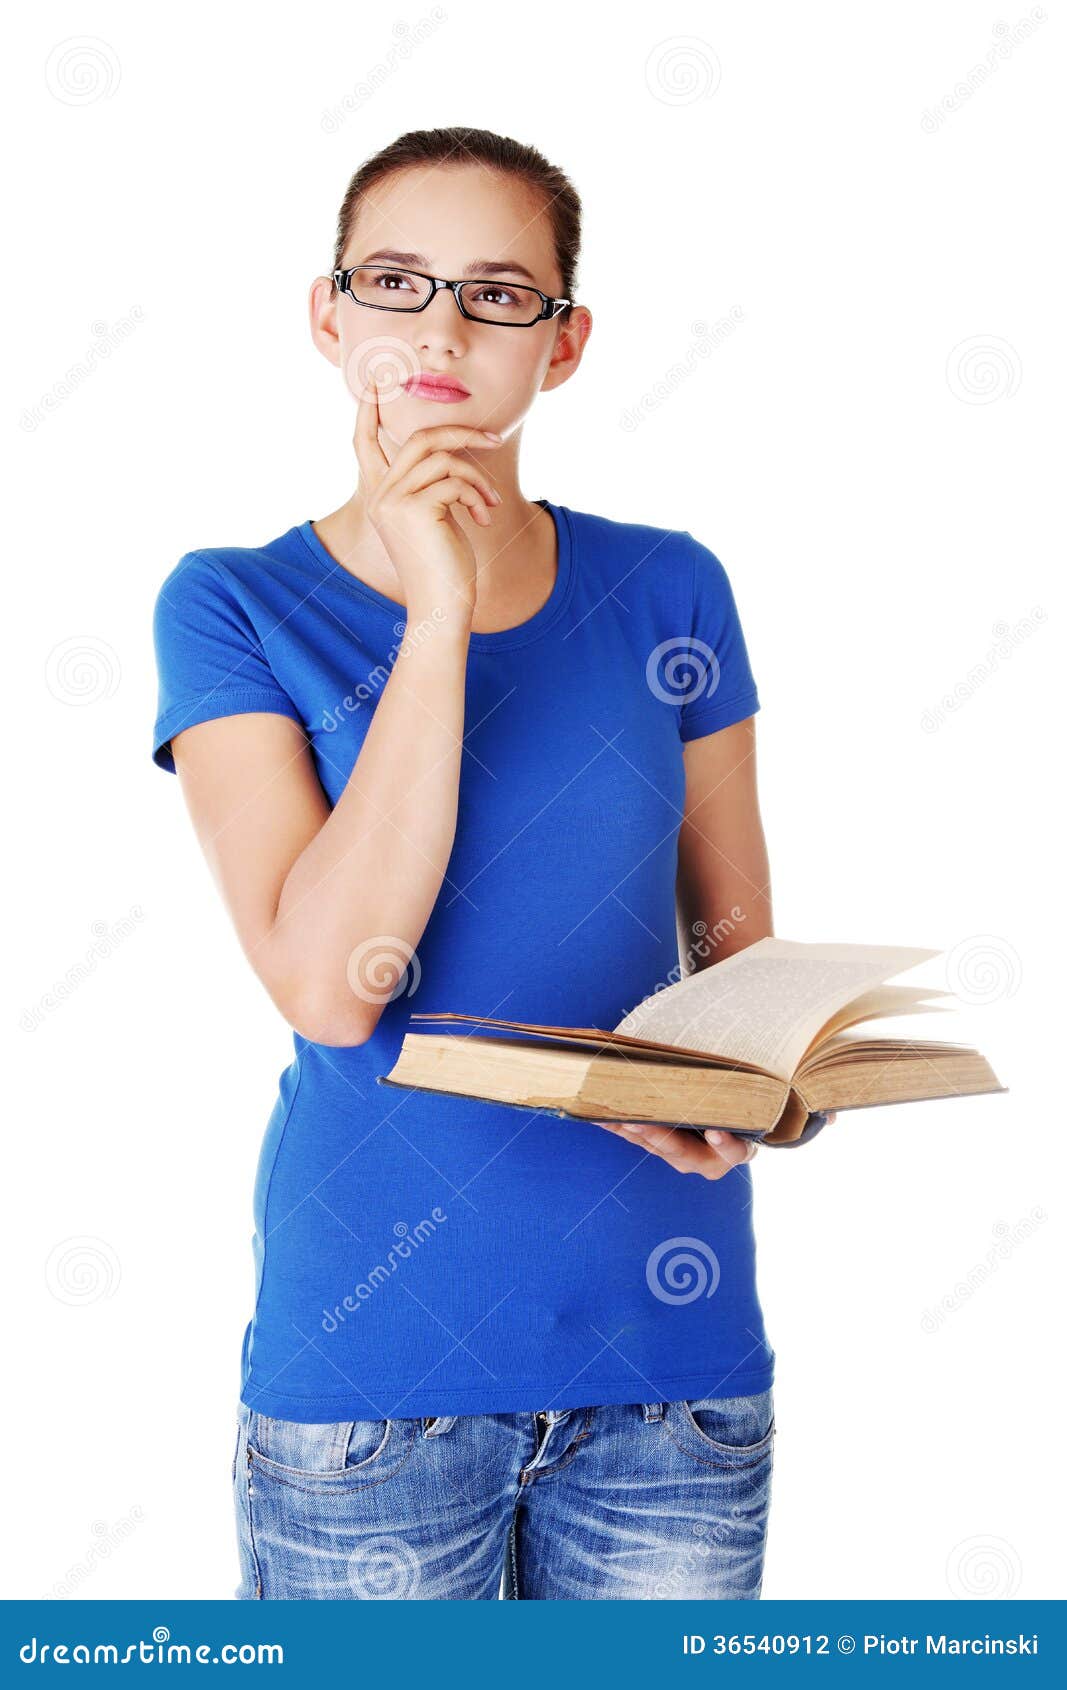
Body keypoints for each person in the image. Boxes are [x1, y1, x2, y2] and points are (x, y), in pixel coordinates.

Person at [151, 124, 831, 1601]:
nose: (443, 328)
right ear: (327, 316)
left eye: (499, 292)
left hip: (673, 1375)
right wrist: (439, 609)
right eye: (396, 282)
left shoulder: (670, 586)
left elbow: (743, 968)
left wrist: (772, 1097)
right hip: (371, 1389)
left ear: (564, 345)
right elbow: (335, 987)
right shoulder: (233, 605)